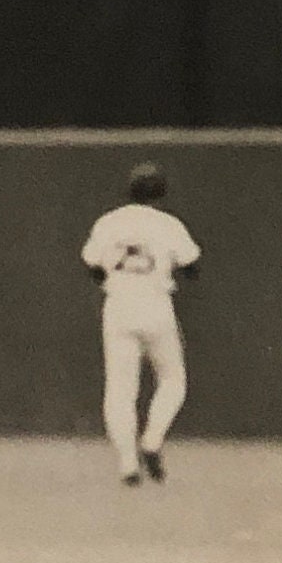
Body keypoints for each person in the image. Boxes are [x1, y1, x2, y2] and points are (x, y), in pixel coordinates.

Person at [81, 163, 203, 486]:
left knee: (120, 390)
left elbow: (92, 266)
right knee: (173, 380)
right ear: (161, 194)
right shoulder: (168, 223)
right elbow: (192, 265)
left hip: (119, 306)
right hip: (155, 305)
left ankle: (127, 464)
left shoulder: (110, 222)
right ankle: (152, 440)